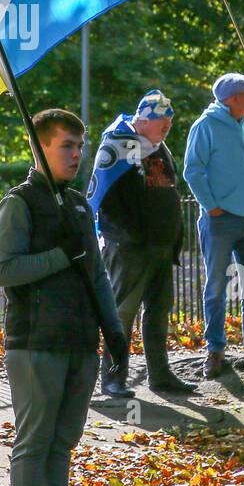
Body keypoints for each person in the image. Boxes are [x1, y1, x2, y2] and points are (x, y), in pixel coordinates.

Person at [0, 107, 130, 486]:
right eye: (66, 145)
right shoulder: (20, 203)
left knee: (63, 440)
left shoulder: (76, 204)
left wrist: (114, 332)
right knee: (35, 439)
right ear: (40, 148)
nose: (76, 154)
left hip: (78, 340)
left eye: (79, 145)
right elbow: (4, 270)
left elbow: (97, 276)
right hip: (34, 342)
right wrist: (57, 256)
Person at [87, 89, 197, 397]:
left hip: (161, 246)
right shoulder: (118, 145)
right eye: (163, 120)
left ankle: (160, 376)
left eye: (170, 121)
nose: (168, 126)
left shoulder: (158, 147)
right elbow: (104, 199)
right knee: (122, 314)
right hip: (129, 249)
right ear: (143, 120)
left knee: (159, 312)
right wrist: (130, 236)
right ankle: (111, 378)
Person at [183, 73, 244, 379]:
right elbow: (192, 170)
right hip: (221, 221)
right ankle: (215, 351)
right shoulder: (205, 126)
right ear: (232, 98)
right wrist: (211, 206)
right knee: (216, 287)